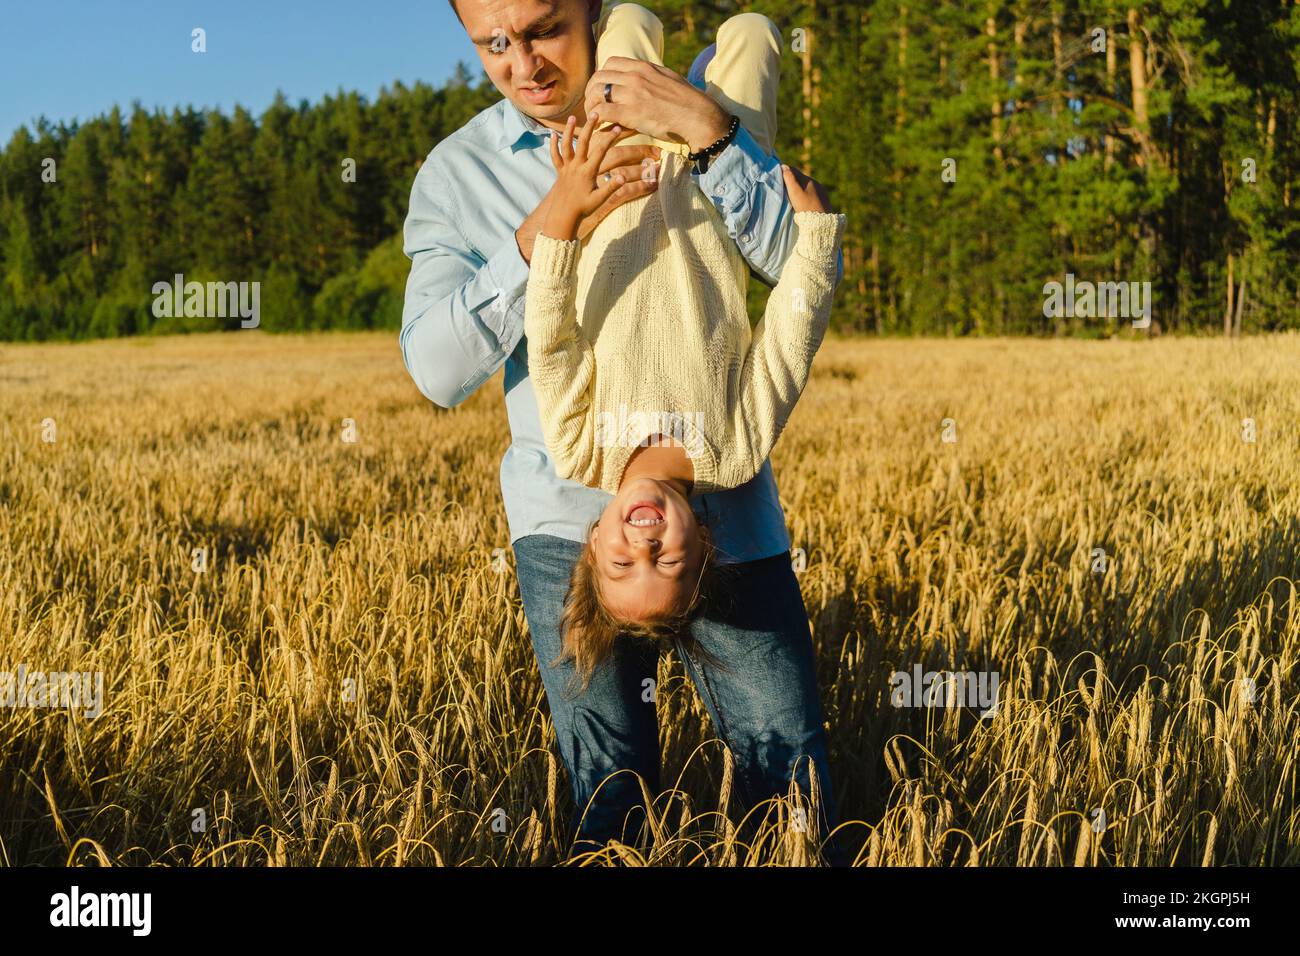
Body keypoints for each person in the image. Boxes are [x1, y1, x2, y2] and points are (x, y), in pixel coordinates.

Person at [401, 0, 848, 863]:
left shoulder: (693, 109)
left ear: (598, 16)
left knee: (794, 786)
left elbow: (801, 260)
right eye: (493, 43)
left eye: (543, 31)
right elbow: (436, 368)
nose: (522, 63)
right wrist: (548, 228)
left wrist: (714, 137)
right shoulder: (460, 174)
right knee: (610, 796)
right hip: (561, 513)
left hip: (728, 511)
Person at [523, 4, 846, 695]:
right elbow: (789, 346)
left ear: (593, 545)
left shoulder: (578, 450)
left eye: (621, 564)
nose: (644, 545)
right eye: (666, 564)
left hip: (623, 168)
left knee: (631, 18)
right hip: (712, 176)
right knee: (755, 32)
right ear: (704, 545)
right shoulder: (732, 454)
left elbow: (549, 339)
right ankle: (705, 78)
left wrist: (563, 217)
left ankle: (678, 71)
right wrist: (816, 242)